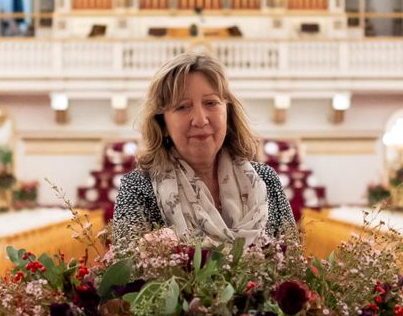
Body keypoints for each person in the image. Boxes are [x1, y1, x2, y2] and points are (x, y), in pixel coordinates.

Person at [110, 52, 296, 250]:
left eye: (211, 103)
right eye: (182, 107)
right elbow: (126, 275)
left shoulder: (267, 180)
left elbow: (295, 269)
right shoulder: (137, 188)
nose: (200, 119)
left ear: (228, 112)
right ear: (162, 123)